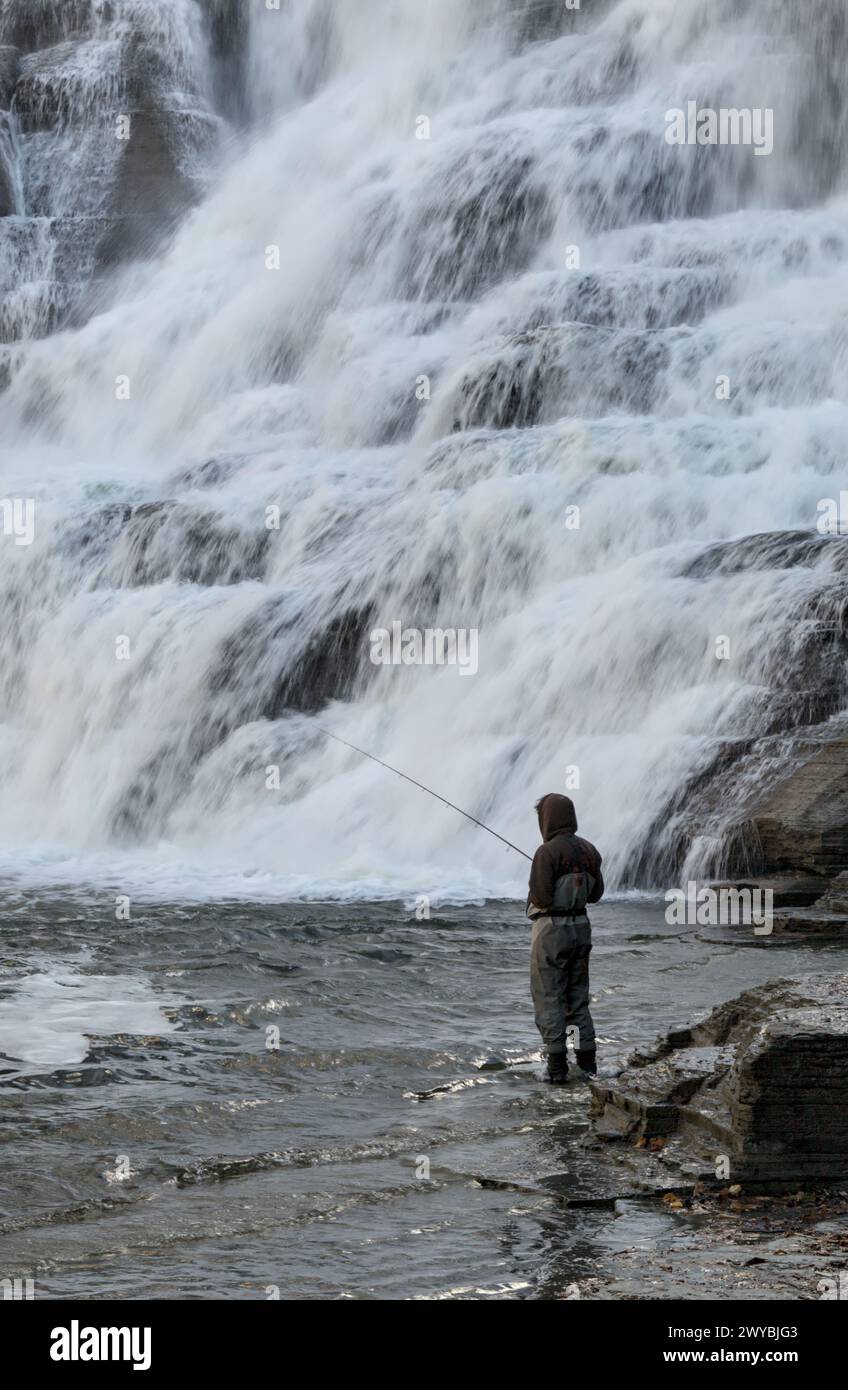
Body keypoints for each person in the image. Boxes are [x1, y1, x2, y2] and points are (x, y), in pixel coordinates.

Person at [526, 793, 604, 1083]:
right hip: (581, 927)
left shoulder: (546, 852)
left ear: (547, 819)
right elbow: (596, 895)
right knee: (577, 999)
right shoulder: (590, 850)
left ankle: (557, 1069)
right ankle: (588, 1066)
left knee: (549, 997)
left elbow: (542, 897)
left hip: (551, 930)